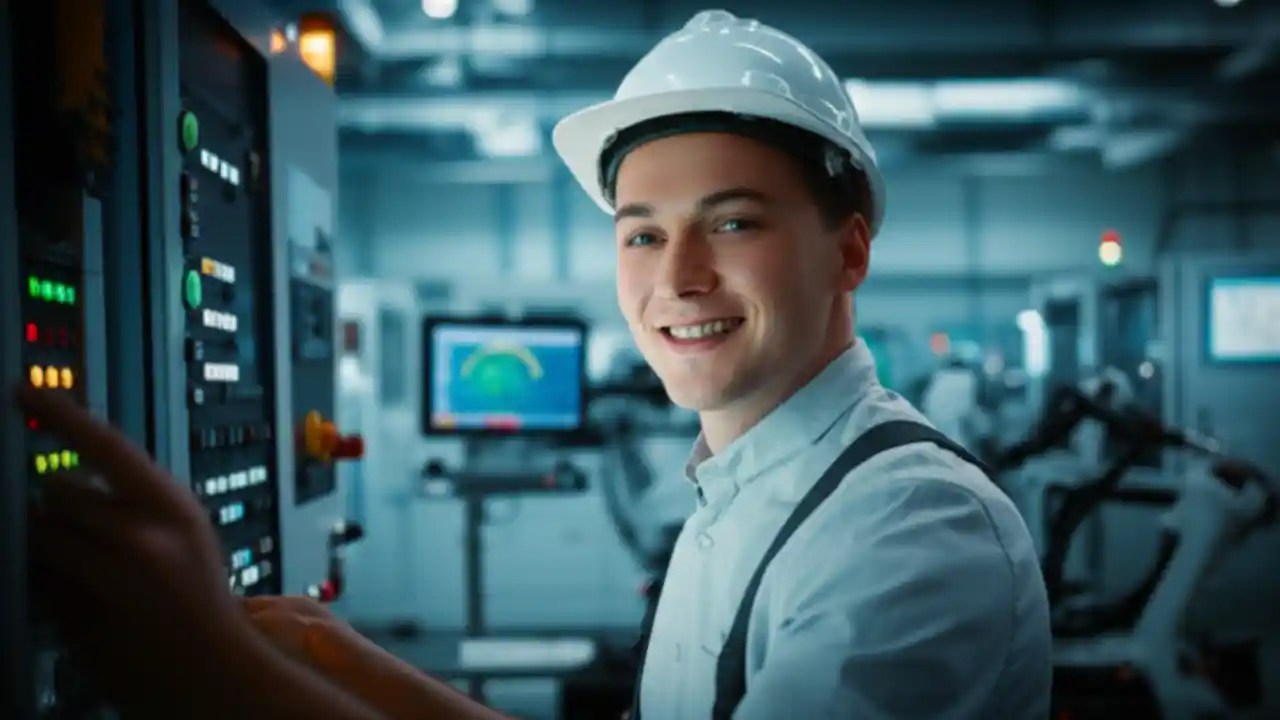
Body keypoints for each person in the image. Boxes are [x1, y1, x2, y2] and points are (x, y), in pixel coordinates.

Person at [18, 9, 1051, 720]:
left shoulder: (908, 531)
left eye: (732, 223)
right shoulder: (742, 490)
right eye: (641, 236)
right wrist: (347, 662)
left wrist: (215, 675)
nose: (676, 279)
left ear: (850, 250)